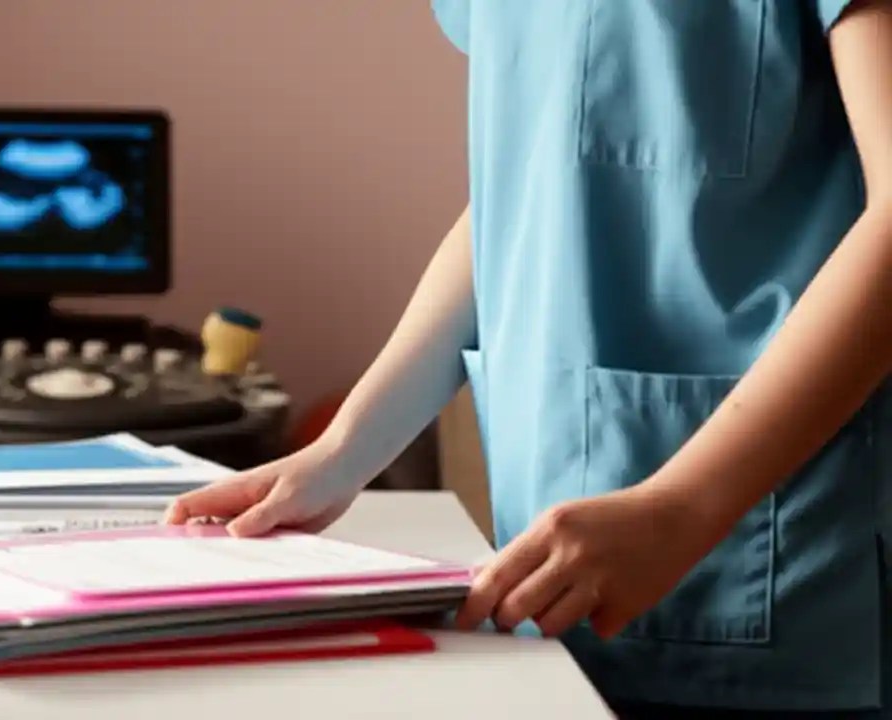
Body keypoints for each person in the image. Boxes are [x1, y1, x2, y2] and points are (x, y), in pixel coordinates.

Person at [166, 0, 892, 716]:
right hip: (547, 559)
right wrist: (347, 448)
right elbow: (521, 188)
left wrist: (681, 509)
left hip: (781, 562)